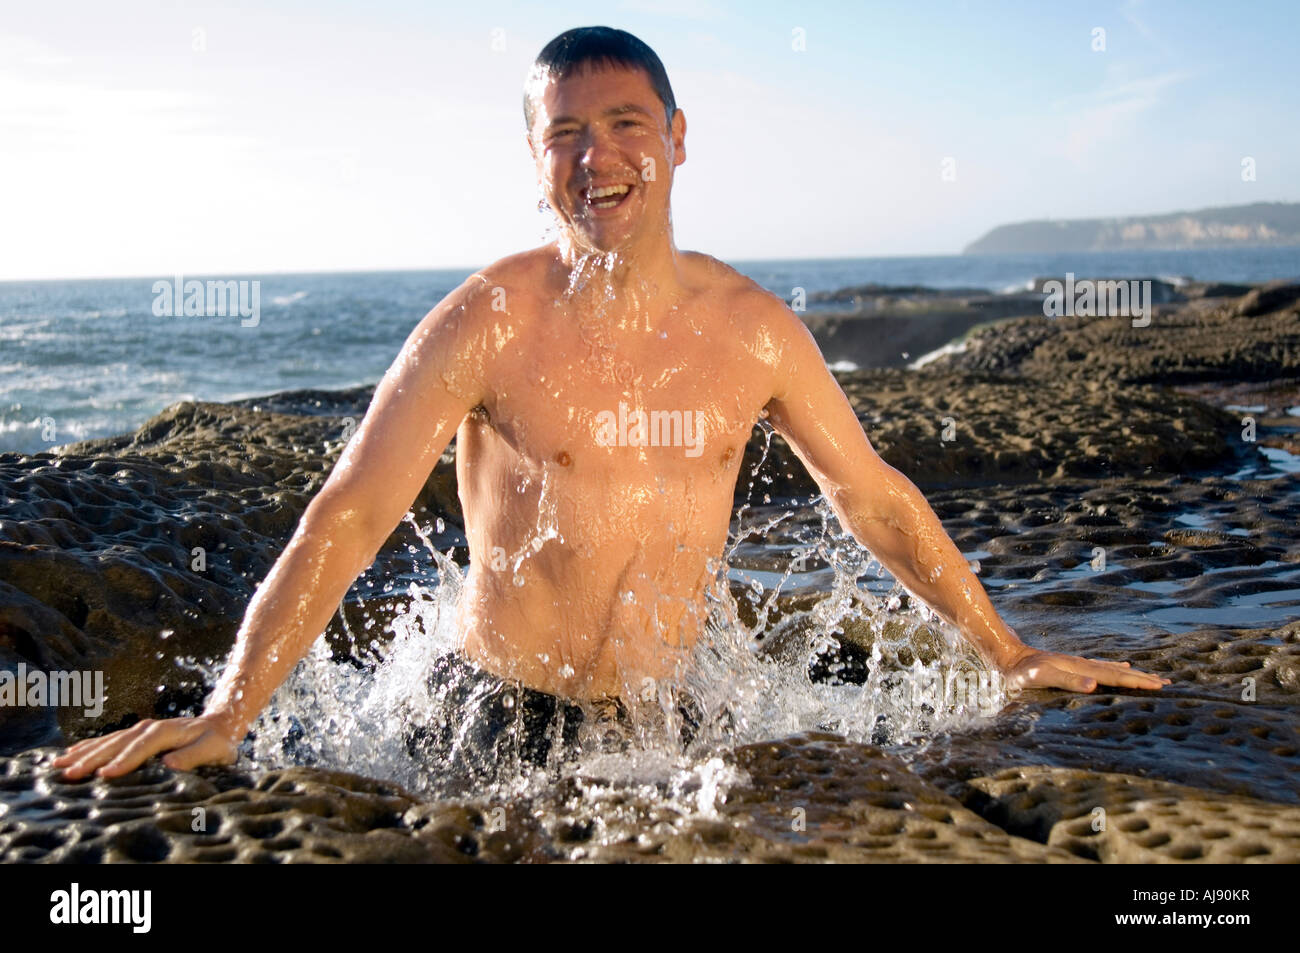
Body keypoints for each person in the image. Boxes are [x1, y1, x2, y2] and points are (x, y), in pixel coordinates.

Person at [55, 26, 1168, 781]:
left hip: (681, 719)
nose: (600, 158)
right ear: (535, 158)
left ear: (677, 140)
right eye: (566, 134)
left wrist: (1005, 649)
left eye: (628, 124)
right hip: (494, 716)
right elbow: (349, 511)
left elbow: (870, 499)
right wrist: (232, 711)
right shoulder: (483, 319)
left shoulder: (753, 330)